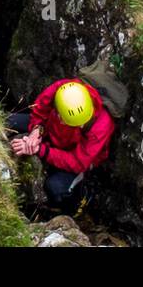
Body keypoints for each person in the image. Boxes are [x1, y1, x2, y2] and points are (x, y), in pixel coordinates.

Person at [8, 78, 114, 213]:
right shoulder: (62, 91)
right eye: (60, 116)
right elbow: (40, 108)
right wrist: (36, 130)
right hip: (50, 132)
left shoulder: (101, 126)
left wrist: (40, 150)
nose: (62, 122)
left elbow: (78, 162)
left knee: (55, 189)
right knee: (9, 122)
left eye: (66, 121)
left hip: (75, 155)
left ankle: (79, 199)